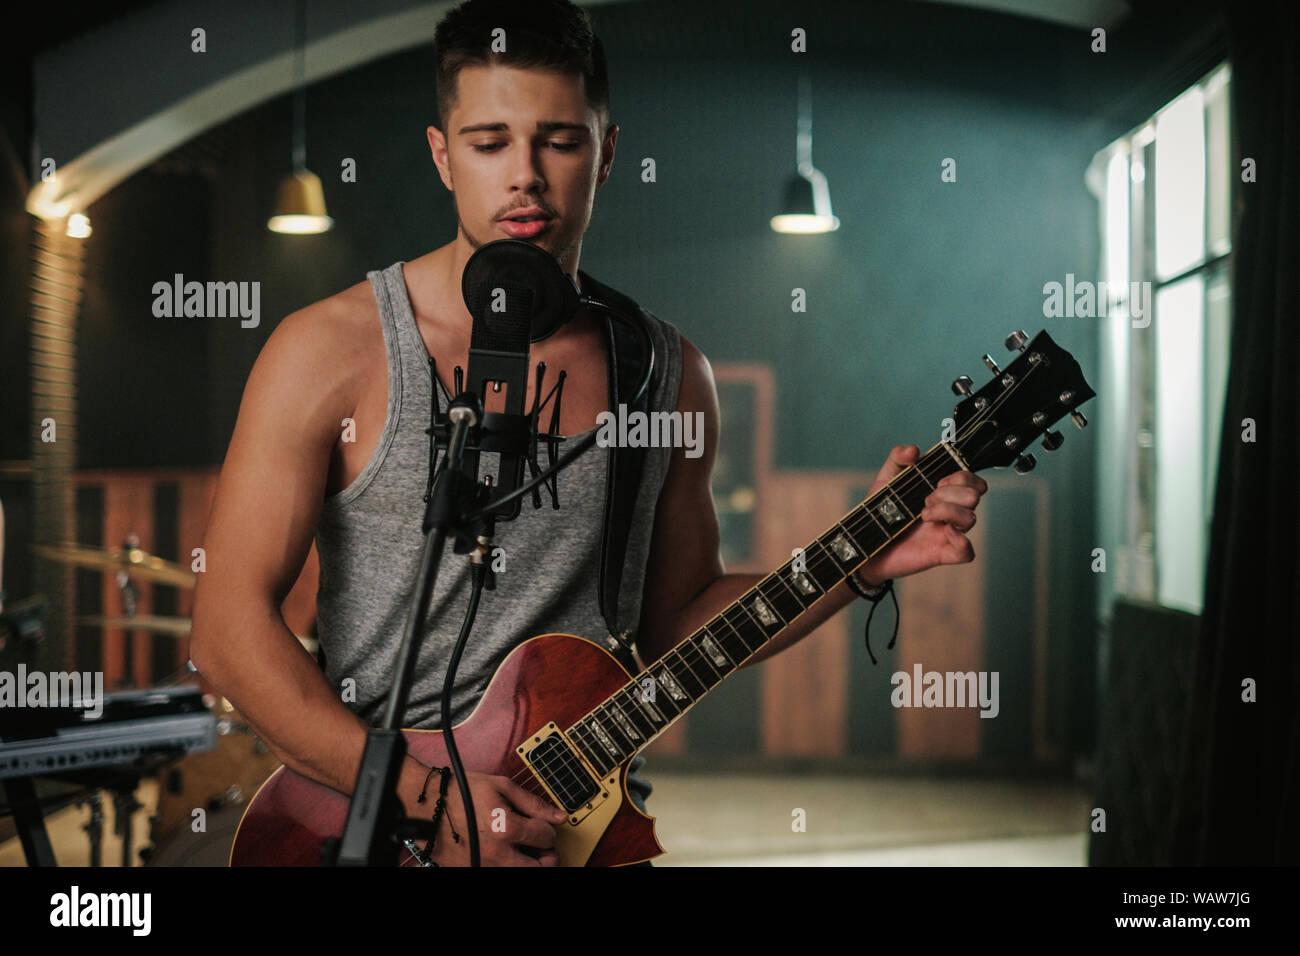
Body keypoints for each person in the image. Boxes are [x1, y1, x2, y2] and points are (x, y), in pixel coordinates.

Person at [189, 0, 987, 867]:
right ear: (442, 155)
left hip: (583, 831)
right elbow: (228, 631)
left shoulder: (667, 373)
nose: (524, 175)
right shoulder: (327, 351)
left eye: (559, 140)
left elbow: (675, 624)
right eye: (489, 142)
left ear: (606, 153)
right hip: (376, 829)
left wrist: (854, 564)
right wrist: (430, 800)